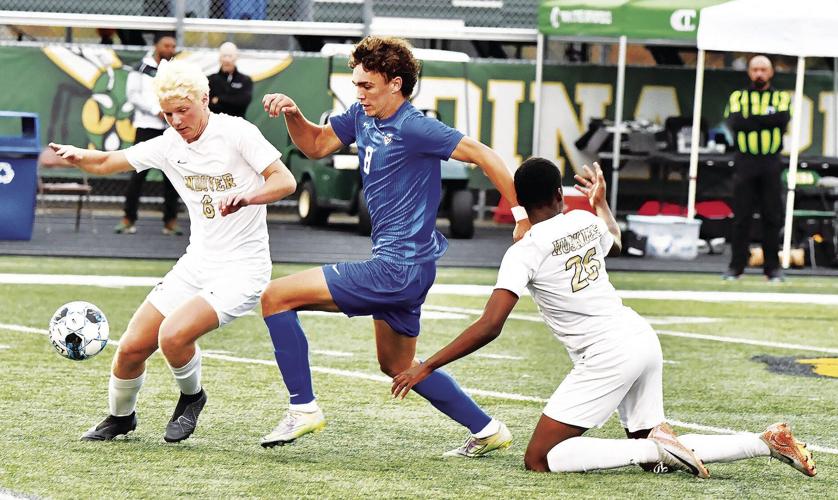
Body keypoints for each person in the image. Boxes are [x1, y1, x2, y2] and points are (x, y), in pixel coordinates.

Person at [392, 157, 817, 477]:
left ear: (518, 202)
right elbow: (612, 238)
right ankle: (765, 442)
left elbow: (491, 325)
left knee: (540, 458)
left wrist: (426, 365)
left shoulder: (523, 252)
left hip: (608, 354)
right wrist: (602, 204)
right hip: (640, 337)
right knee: (650, 448)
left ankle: (656, 446)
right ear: (560, 196)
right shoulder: (581, 219)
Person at [257, 35, 531, 456]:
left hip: (399, 268)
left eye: (367, 86)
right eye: (357, 84)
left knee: (275, 297)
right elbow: (314, 145)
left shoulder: (414, 125)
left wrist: (521, 216)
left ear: (396, 84)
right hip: (408, 268)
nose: (359, 93)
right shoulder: (361, 116)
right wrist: (294, 112)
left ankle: (303, 408)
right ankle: (488, 429)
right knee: (398, 365)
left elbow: (487, 156)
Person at [50, 59, 297, 443]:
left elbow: (285, 181)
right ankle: (121, 418)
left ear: (205, 99)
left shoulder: (236, 132)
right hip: (197, 263)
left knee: (173, 337)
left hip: (242, 270)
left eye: (183, 110)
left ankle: (192, 397)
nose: (176, 120)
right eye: (168, 114)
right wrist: (77, 155)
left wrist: (248, 196)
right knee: (131, 348)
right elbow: (106, 162)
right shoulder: (169, 145)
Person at [723, 55, 791, 282]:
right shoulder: (738, 96)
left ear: (771, 72)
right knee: (742, 216)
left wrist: (752, 119)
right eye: (755, 69)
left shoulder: (781, 97)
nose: (759, 73)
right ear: (749, 72)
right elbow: (736, 123)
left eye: (763, 69)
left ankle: (772, 268)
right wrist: (764, 119)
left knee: (772, 215)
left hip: (771, 161)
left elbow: (781, 120)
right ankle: (736, 266)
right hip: (745, 161)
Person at [116, 33, 182, 236]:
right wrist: (156, 111)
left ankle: (170, 222)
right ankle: (128, 219)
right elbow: (133, 95)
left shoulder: (176, 71)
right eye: (166, 45)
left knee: (173, 177)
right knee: (138, 174)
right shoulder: (139, 67)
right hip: (146, 127)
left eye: (173, 46)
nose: (170, 49)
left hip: (170, 130)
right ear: (156, 45)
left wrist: (171, 113)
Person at [208, 42, 253, 118]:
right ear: (219, 58)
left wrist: (219, 99)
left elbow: (243, 102)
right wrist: (232, 101)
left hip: (238, 123)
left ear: (236, 57)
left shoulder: (245, 80)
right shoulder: (210, 80)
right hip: (216, 123)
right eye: (224, 56)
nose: (227, 60)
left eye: (230, 56)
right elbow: (208, 104)